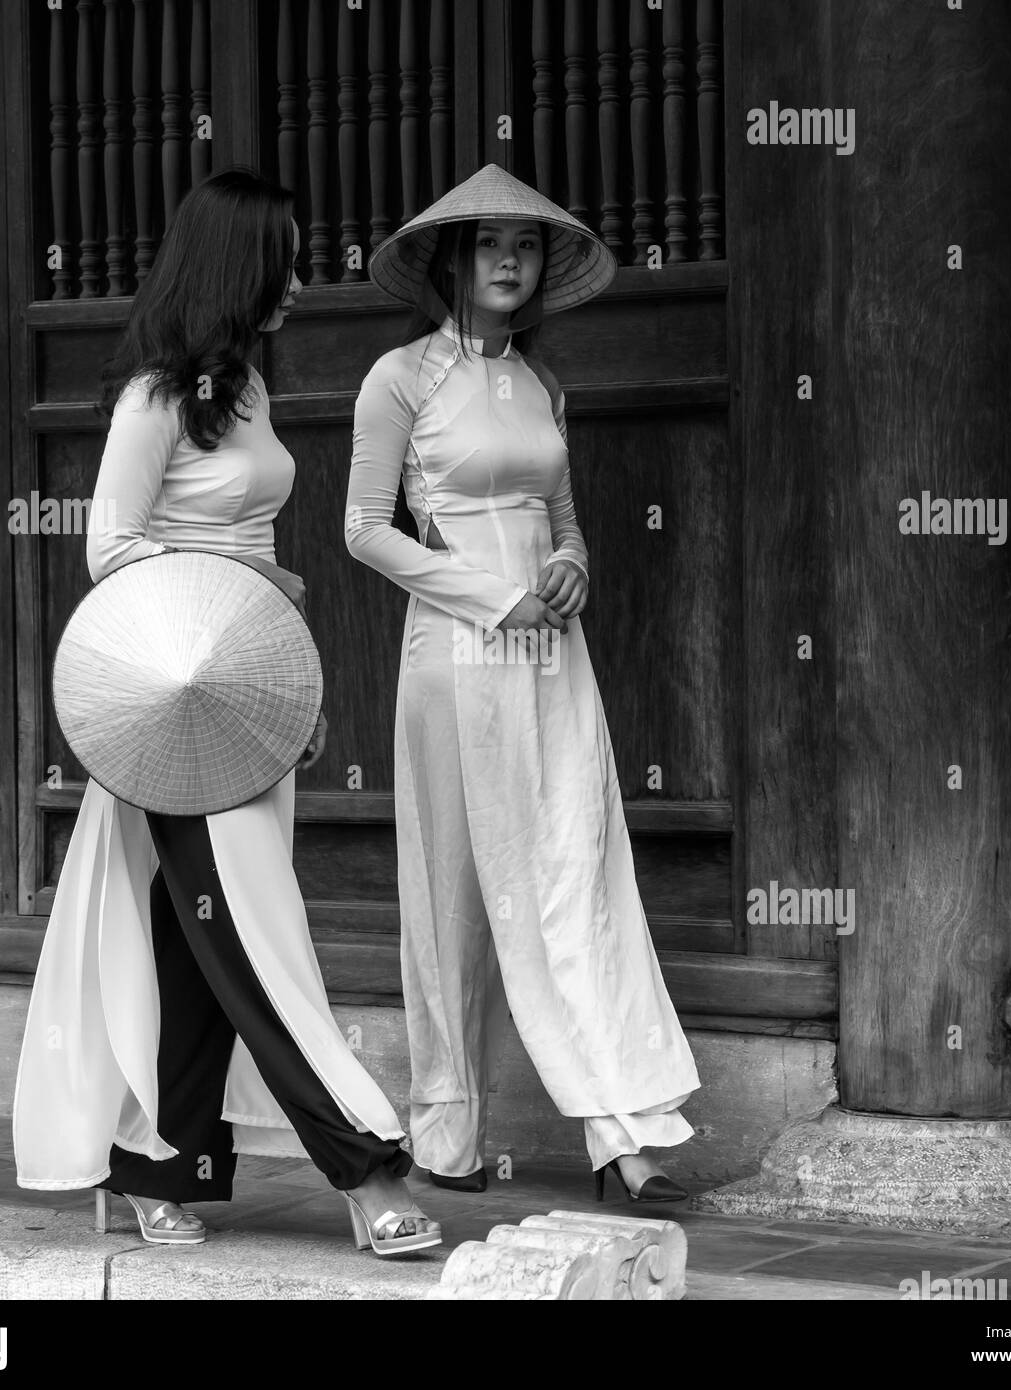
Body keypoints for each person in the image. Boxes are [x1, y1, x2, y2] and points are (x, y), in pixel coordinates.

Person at [12, 168, 440, 1258]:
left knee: (188, 937)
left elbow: (269, 556)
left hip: (251, 691)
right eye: (285, 257)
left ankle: (159, 1163)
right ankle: (365, 1167)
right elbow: (109, 547)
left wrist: (300, 686)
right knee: (252, 934)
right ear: (234, 267)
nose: (300, 276)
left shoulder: (241, 390)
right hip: (177, 701)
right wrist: (243, 596)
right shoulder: (152, 399)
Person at [345, 164, 701, 1202]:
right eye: (488, 243)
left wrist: (573, 567)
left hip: (551, 656)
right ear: (450, 261)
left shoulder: (544, 387)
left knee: (573, 871)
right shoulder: (399, 378)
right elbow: (366, 532)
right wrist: (494, 600)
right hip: (455, 658)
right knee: (451, 889)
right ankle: (446, 1133)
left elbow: (565, 519)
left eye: (527, 244)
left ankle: (621, 1134)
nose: (509, 259)